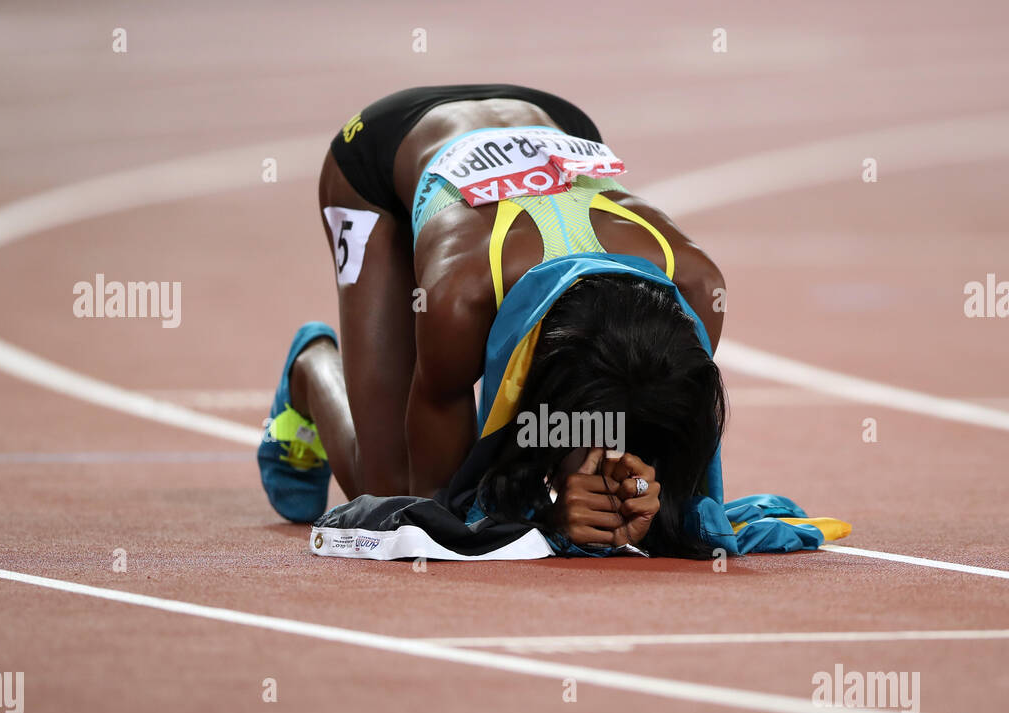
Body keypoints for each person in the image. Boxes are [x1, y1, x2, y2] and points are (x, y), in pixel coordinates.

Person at [259, 84, 847, 559]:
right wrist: (543, 507)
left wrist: (623, 486)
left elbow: (627, 418)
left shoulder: (695, 287)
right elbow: (435, 507)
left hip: (558, 123)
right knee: (383, 493)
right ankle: (313, 370)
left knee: (606, 409)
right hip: (376, 157)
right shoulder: (457, 301)